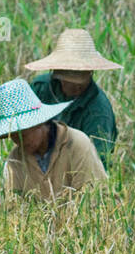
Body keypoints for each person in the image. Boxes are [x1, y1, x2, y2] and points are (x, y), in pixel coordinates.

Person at [0, 79, 107, 199]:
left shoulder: (77, 144)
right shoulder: (15, 160)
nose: (19, 142)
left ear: (39, 123)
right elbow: (13, 210)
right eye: (13, 137)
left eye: (23, 135)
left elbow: (93, 200)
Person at [25, 29, 122, 168]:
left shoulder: (99, 111)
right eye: (71, 82)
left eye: (82, 81)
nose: (78, 88)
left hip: (76, 170)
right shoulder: (40, 89)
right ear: (58, 76)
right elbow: (22, 131)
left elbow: (99, 162)